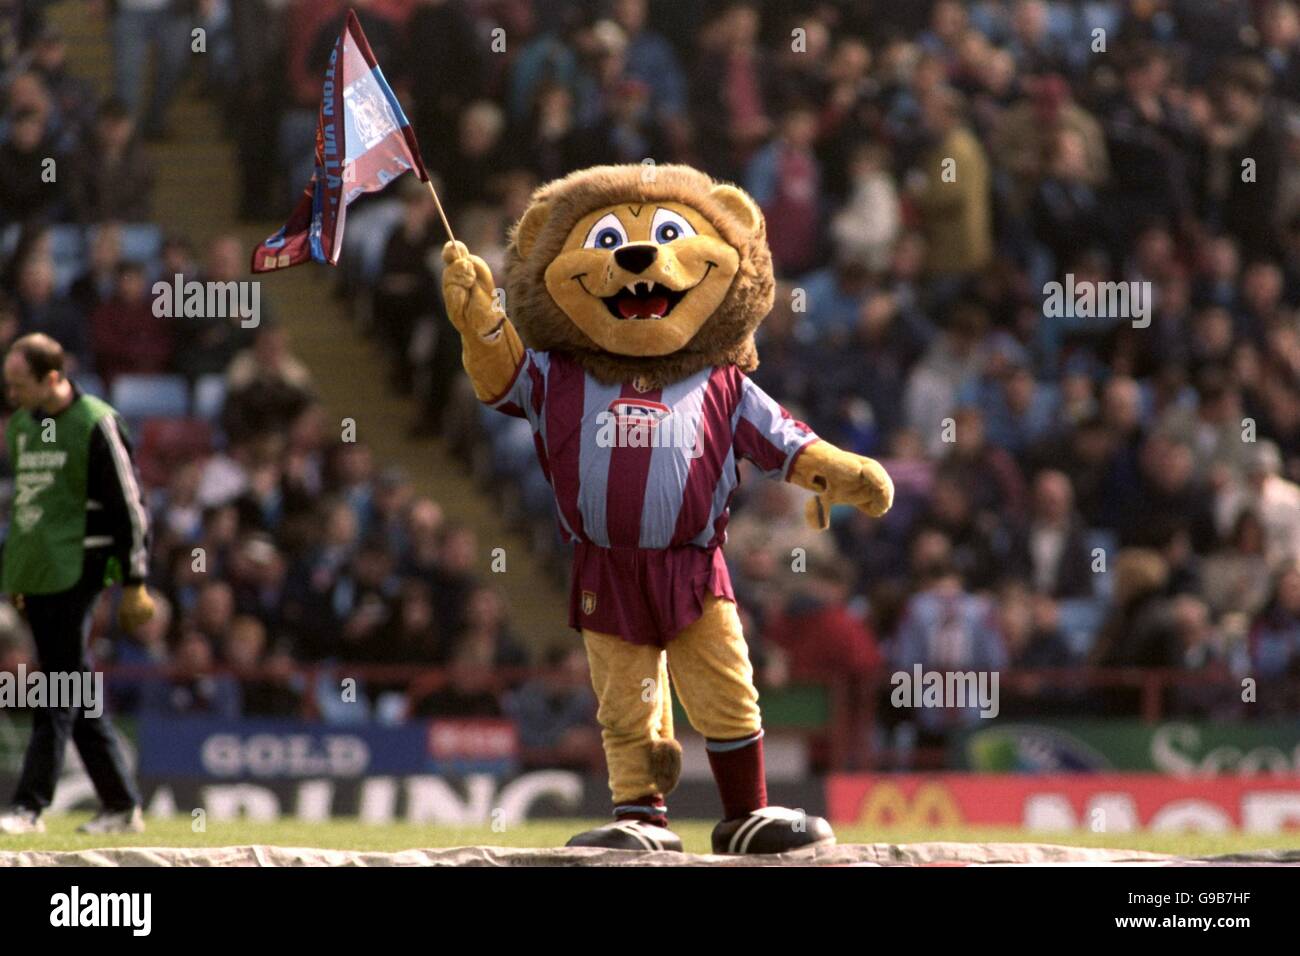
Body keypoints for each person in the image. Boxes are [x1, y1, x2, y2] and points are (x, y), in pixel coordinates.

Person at [0, 334, 155, 835]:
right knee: (74, 683)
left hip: (82, 567)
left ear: (52, 378)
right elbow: (31, 508)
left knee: (58, 686)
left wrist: (135, 580)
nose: (11, 395)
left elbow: (130, 506)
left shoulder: (96, 423)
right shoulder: (23, 427)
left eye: (19, 385)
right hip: (40, 571)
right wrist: (18, 573)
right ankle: (120, 803)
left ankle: (29, 805)